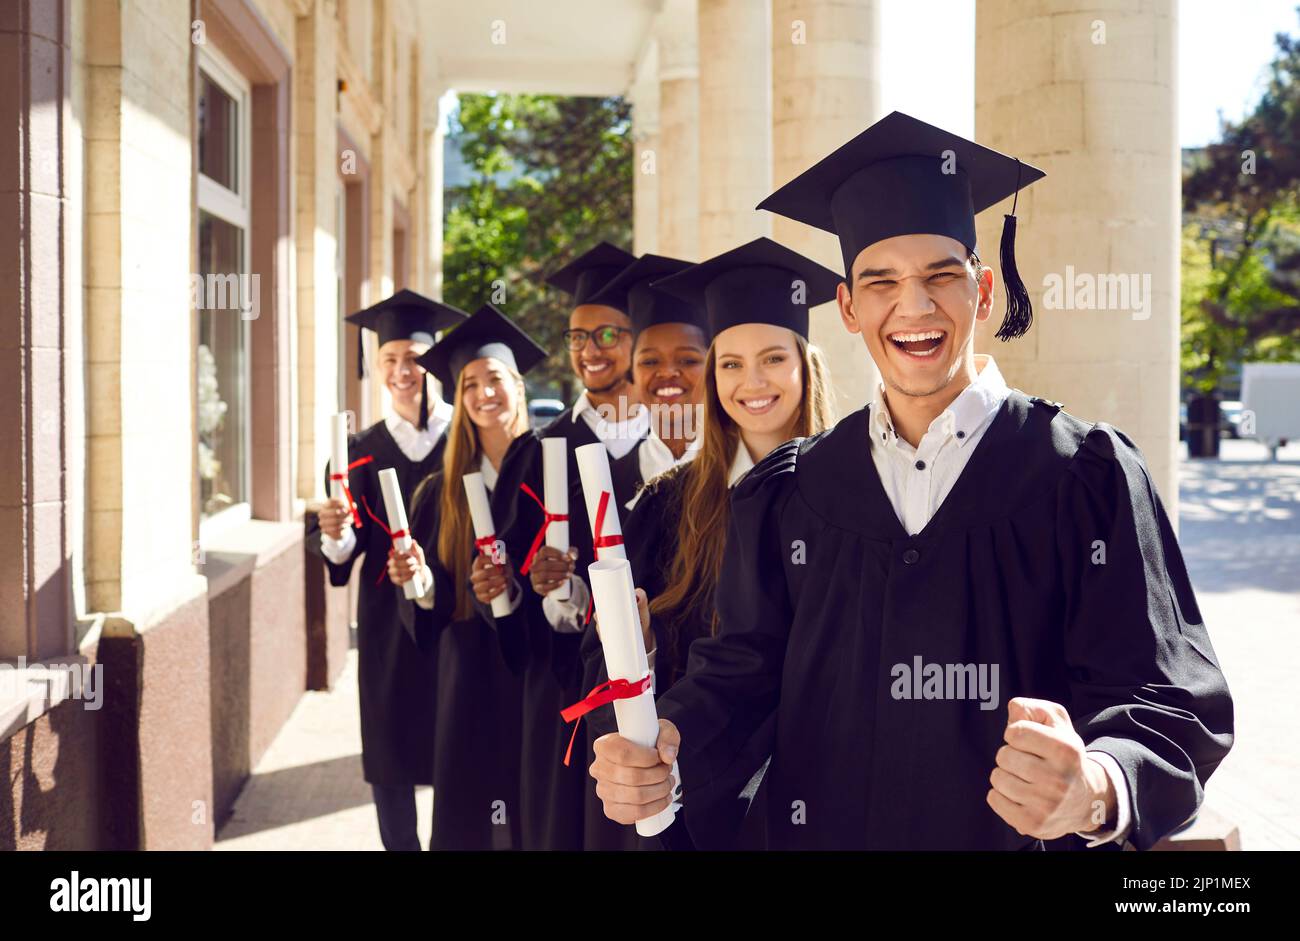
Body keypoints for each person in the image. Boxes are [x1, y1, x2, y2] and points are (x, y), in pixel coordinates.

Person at [587, 111, 1235, 850]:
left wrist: (1095, 785)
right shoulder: (789, 494)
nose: (914, 307)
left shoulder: (1084, 477)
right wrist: (667, 744)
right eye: (881, 282)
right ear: (850, 308)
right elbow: (738, 677)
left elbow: (1171, 698)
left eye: (941, 277)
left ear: (984, 292)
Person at [567, 237, 840, 850]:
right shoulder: (667, 503)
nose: (752, 382)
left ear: (805, 364)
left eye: (773, 359)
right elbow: (602, 658)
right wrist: (640, 654)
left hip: (827, 781)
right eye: (731, 363)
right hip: (700, 785)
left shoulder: (855, 491)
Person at [309, 289, 467, 851]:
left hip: (458, 620)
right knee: (391, 755)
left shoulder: (465, 442)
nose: (404, 371)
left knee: (461, 751)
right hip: (386, 626)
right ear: (376, 367)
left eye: (416, 358)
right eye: (391, 360)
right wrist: (336, 533)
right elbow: (341, 555)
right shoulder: (353, 452)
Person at [386, 303, 546, 850]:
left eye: (494, 378)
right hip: (469, 674)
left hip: (535, 670)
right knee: (469, 817)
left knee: (532, 807)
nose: (483, 393)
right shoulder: (439, 491)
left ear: (518, 386)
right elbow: (430, 604)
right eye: (469, 383)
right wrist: (418, 579)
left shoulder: (553, 468)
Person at [588, 253, 711, 496]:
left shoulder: (745, 480)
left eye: (688, 360)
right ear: (631, 374)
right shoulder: (603, 490)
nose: (667, 372)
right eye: (650, 361)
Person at [540, 241, 650, 507]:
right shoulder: (541, 447)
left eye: (607, 335)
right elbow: (511, 542)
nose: (589, 351)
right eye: (578, 337)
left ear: (637, 339)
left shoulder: (674, 436)